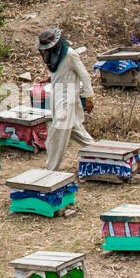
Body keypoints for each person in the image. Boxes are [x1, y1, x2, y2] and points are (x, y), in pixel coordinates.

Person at [37, 27, 96, 171]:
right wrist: (49, 80)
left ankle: (51, 169)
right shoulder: (53, 56)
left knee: (55, 135)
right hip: (57, 99)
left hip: (67, 101)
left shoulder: (70, 55)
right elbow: (61, 73)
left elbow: (84, 76)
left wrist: (89, 97)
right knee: (76, 131)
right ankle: (99, 152)